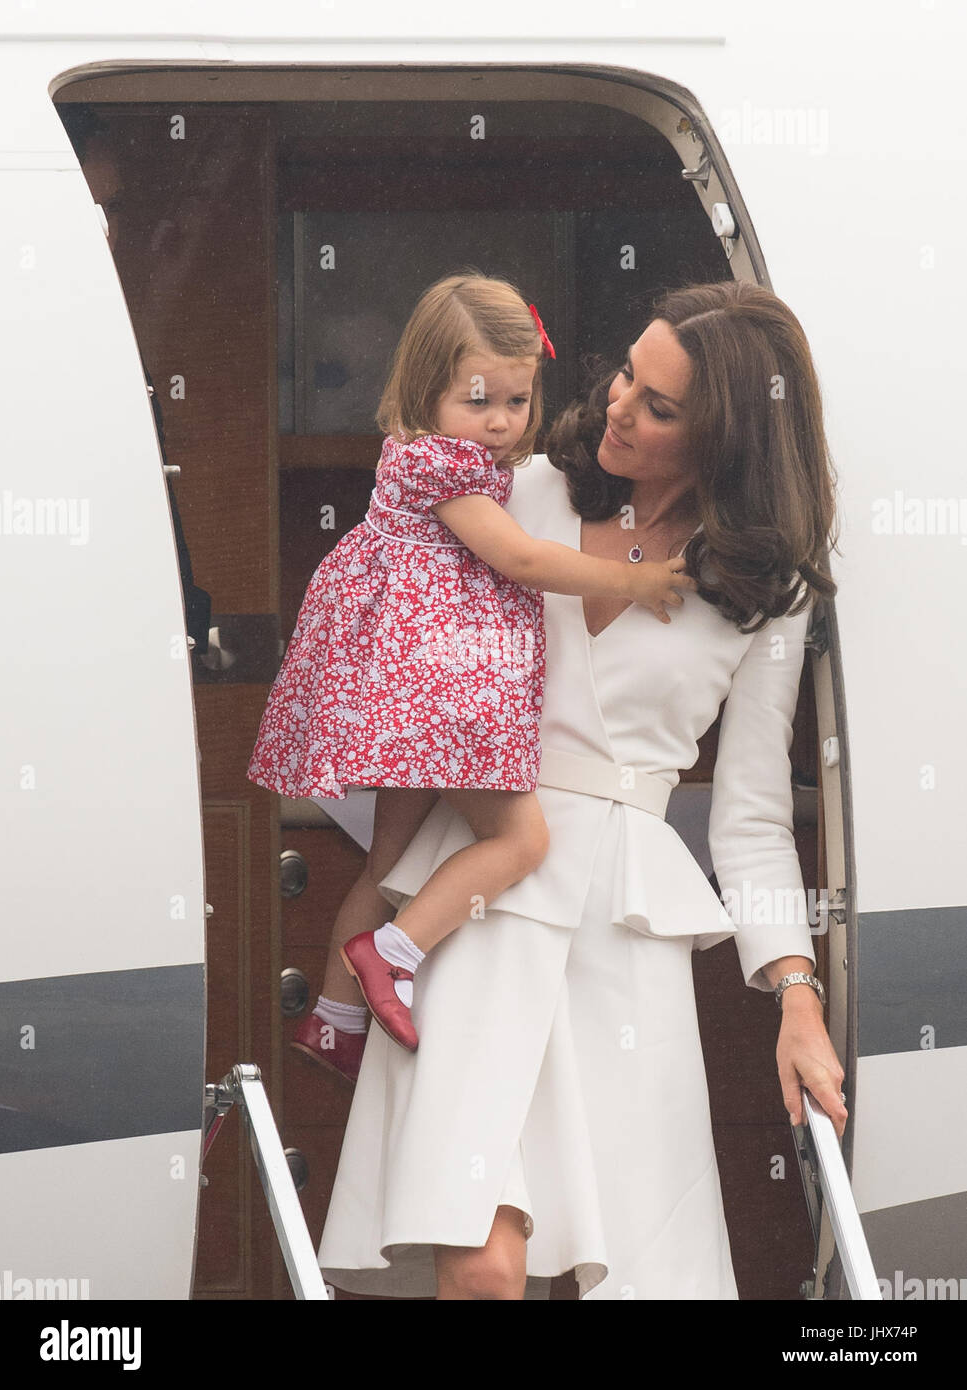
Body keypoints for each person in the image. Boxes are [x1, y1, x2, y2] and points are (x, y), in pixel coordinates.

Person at [316, 279, 847, 1301]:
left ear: (724, 442)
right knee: (478, 1262)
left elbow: (749, 818)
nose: (616, 405)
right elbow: (404, 647)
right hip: (477, 906)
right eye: (624, 377)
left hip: (623, 933)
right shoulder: (519, 490)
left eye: (657, 407)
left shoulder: (762, 585)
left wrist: (794, 990)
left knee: (629, 1279)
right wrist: (380, 875)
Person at [246, 273, 693, 1061]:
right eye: (476, 400)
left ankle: (333, 1020)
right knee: (520, 842)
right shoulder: (441, 465)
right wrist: (634, 579)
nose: (497, 423)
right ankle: (394, 955)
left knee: (385, 864)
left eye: (516, 403)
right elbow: (520, 557)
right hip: (442, 690)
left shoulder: (425, 456)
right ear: (424, 393)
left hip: (415, 681)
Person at [60, 104, 212, 655]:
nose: (109, 231)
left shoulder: (105, 344)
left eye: (113, 210)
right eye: (90, 210)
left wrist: (182, 620)